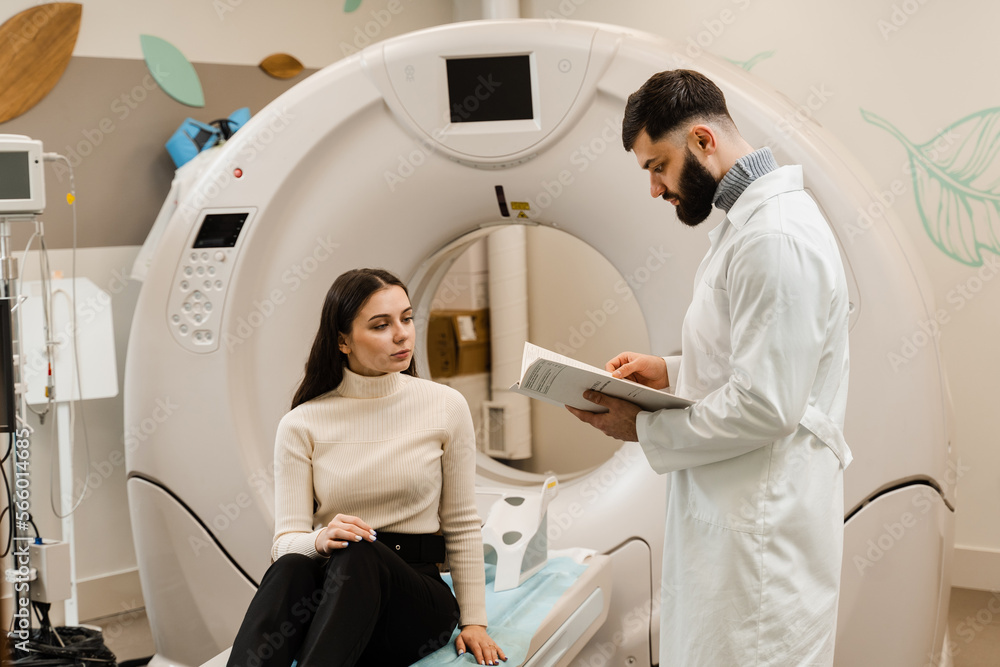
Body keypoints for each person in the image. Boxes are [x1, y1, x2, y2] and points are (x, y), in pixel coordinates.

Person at [567, 70, 852, 666]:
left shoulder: (774, 238)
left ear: (701, 141)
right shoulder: (745, 229)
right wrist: (671, 371)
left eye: (657, 166)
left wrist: (640, 427)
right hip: (737, 513)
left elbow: (767, 403)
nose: (655, 188)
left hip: (762, 529)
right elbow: (750, 354)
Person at [228, 268, 506, 667]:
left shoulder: (445, 406)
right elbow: (283, 542)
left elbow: (461, 522)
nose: (402, 334)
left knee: (360, 551)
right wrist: (321, 538)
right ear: (342, 340)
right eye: (381, 325)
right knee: (292, 566)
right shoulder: (301, 424)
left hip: (413, 603)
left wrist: (474, 622)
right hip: (337, 598)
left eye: (407, 319)